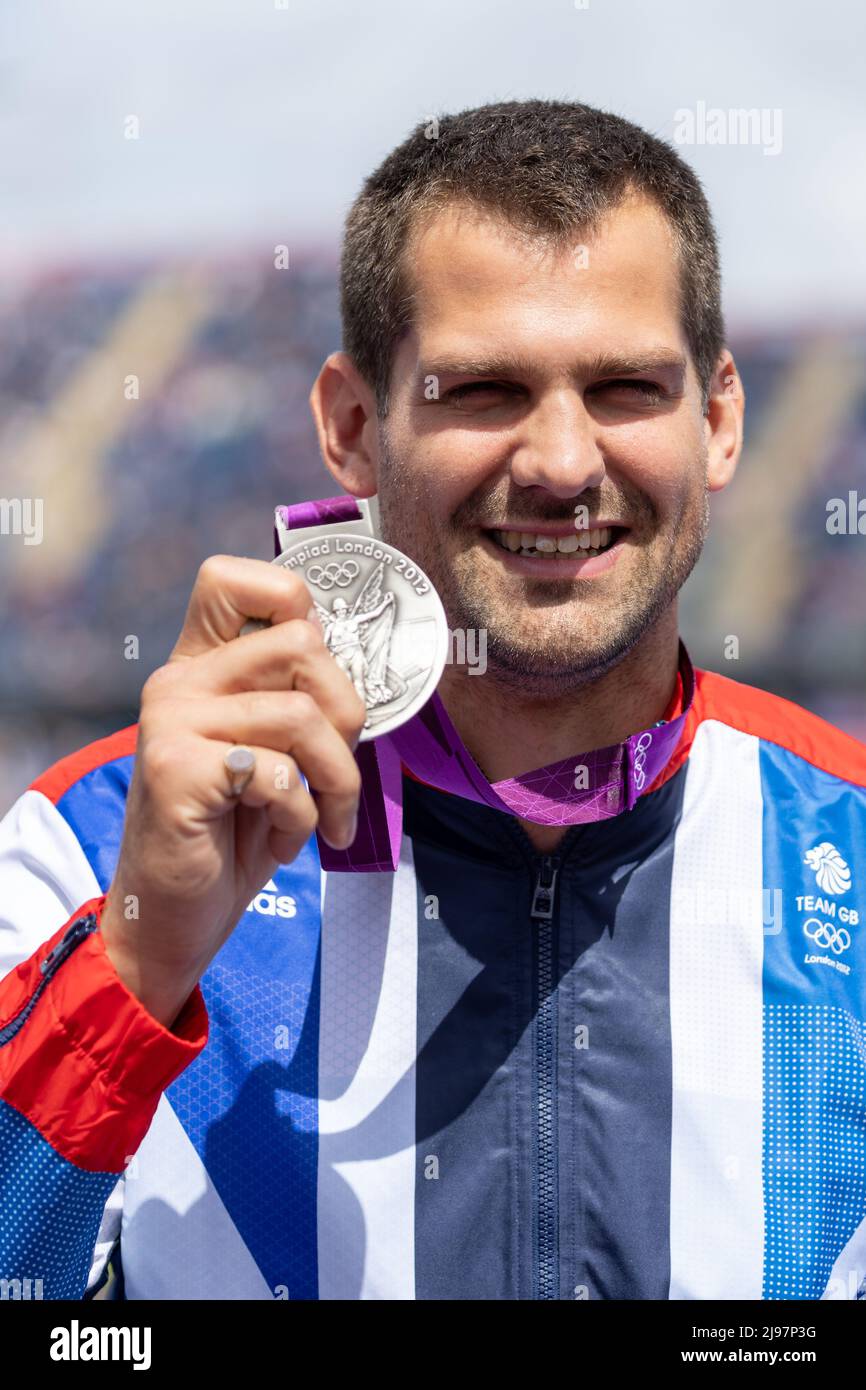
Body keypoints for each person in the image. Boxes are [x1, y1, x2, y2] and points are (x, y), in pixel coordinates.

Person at [1, 98, 865, 1303]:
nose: (562, 464)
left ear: (717, 419)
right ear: (354, 427)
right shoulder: (91, 850)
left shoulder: (849, 846)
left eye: (623, 386)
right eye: (482, 390)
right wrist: (137, 967)